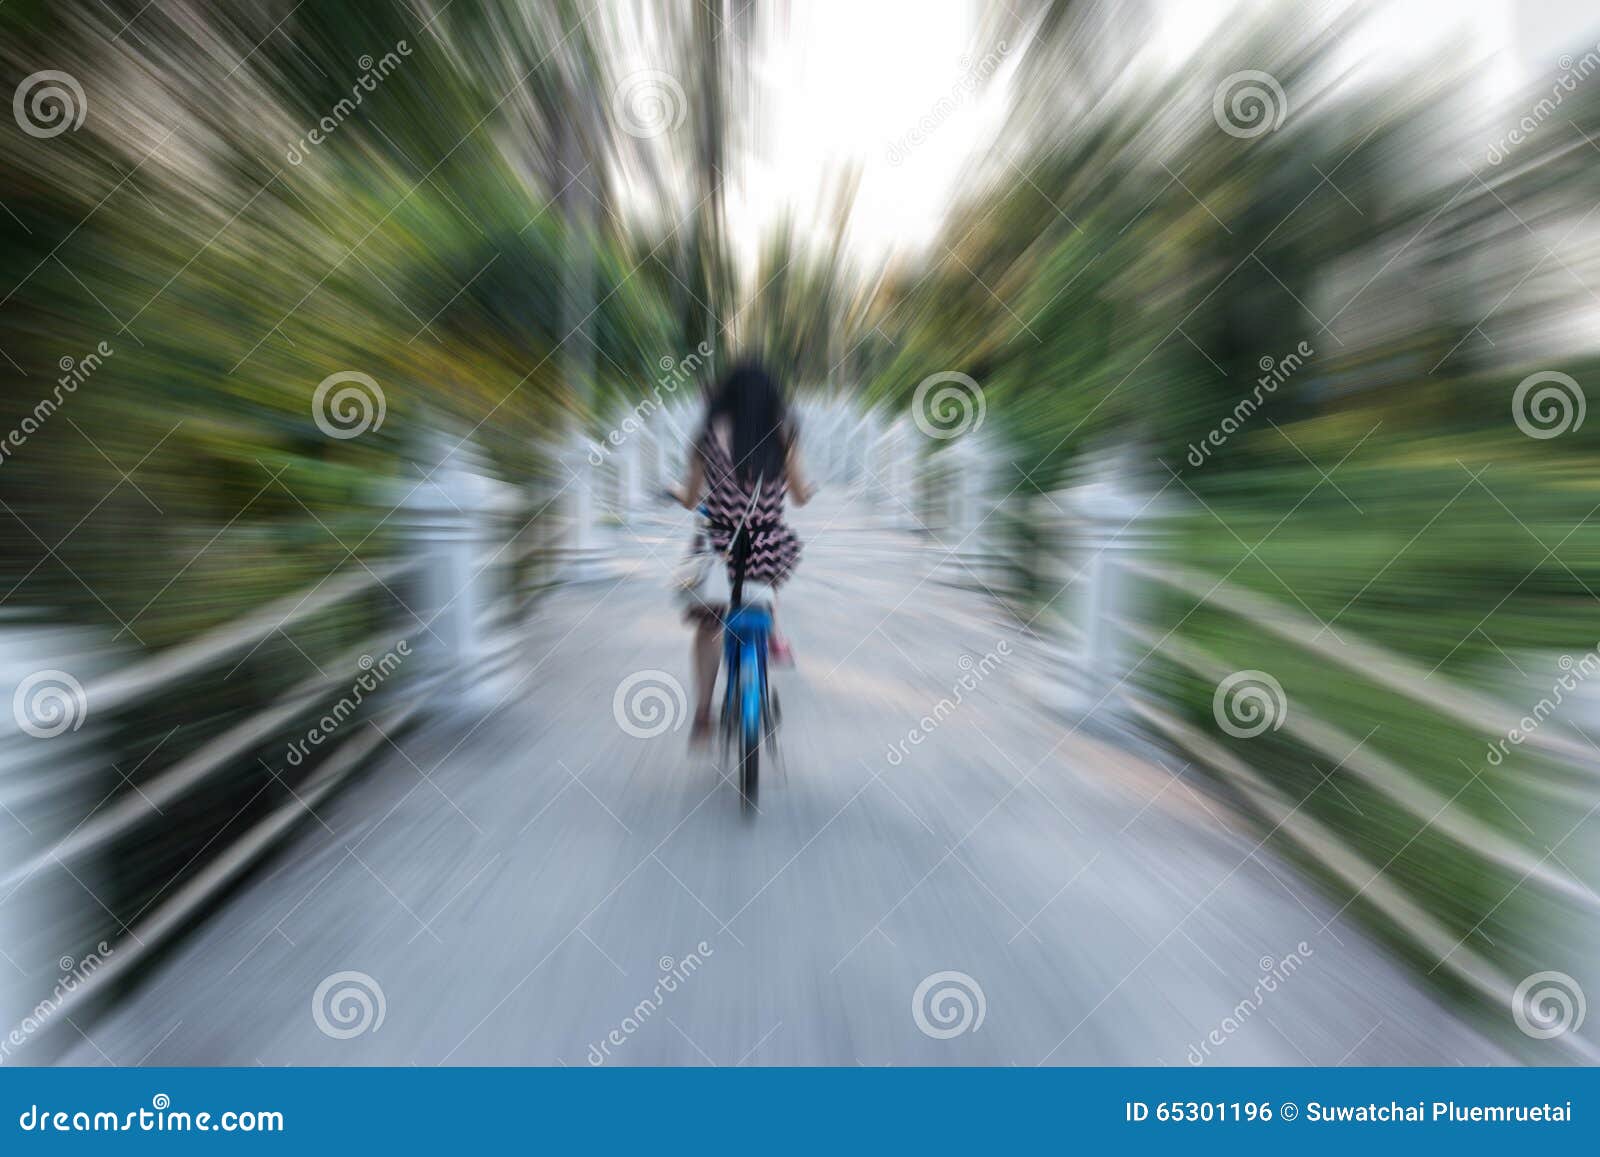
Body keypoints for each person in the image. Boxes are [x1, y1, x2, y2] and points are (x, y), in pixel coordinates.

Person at [672, 361, 813, 744]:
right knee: (765, 571)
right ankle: (770, 633)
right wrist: (807, 489)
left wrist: (678, 492)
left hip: (719, 550)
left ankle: (703, 715)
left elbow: (689, 499)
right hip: (766, 551)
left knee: (708, 626)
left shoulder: (708, 435)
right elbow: (799, 497)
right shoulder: (783, 434)